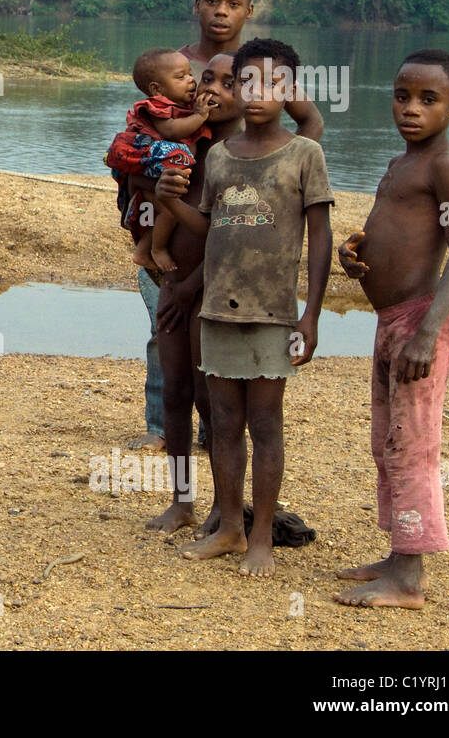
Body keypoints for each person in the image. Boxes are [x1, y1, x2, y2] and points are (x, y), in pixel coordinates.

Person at [155, 38, 333, 577]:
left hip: (274, 312)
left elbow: (320, 238)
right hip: (217, 312)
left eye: (272, 84)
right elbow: (211, 229)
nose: (256, 95)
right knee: (225, 424)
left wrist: (312, 314)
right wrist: (168, 202)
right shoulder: (223, 157)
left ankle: (262, 536)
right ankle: (230, 525)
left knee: (266, 423)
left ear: (290, 92)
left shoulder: (305, 154)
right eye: (247, 82)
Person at [334, 49, 449, 609]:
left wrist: (428, 330)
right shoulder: (399, 164)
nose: (410, 109)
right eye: (401, 96)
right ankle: (398, 553)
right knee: (387, 441)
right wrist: (354, 254)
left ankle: (409, 578)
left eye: (427, 99)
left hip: (420, 322)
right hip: (389, 322)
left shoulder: (446, 166)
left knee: (412, 447)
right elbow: (393, 230)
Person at [143, 53, 239, 533]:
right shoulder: (188, 144)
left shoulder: (243, 154)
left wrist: (189, 286)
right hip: (174, 284)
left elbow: (229, 234)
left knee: (212, 401)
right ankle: (182, 501)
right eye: (208, 79)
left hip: (213, 290)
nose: (214, 90)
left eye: (230, 81)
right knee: (176, 393)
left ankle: (226, 506)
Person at [177, 0, 324, 141]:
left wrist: (286, 161)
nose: (221, 11)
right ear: (197, 5)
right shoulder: (175, 65)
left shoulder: (262, 66)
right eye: (211, 1)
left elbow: (312, 121)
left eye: (234, 4)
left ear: (249, 11)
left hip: (244, 165)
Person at [105, 48, 209, 272]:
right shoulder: (157, 108)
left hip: (156, 178)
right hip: (151, 172)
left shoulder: (181, 107)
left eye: (190, 74)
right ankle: (155, 250)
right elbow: (171, 131)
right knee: (169, 212)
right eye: (181, 77)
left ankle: (143, 250)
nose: (191, 80)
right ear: (157, 89)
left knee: (162, 213)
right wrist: (199, 116)